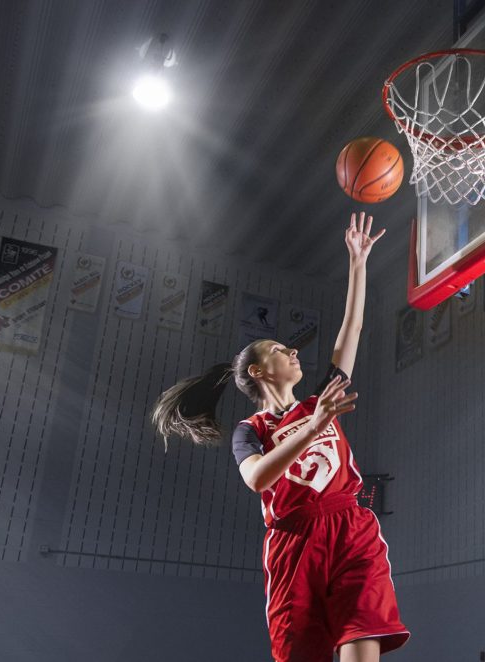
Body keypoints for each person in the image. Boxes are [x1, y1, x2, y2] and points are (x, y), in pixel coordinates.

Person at [151, 212, 409, 662]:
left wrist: (358, 261)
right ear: (258, 371)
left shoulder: (319, 400)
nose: (292, 350)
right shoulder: (249, 431)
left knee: (361, 643)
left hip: (351, 529)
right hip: (294, 544)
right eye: (278, 349)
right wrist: (313, 427)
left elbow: (353, 327)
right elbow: (257, 479)